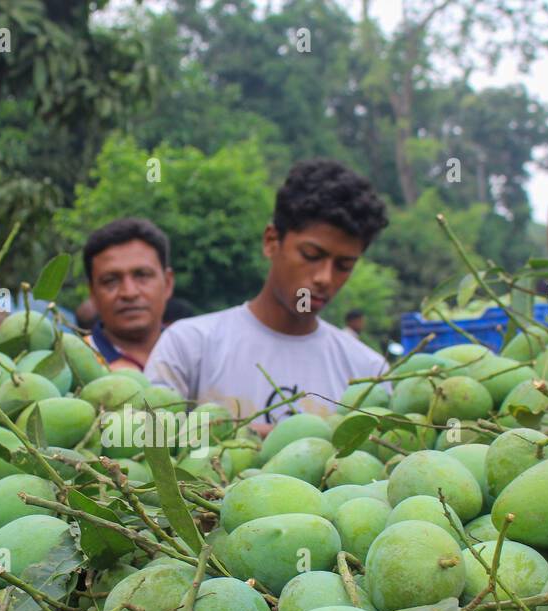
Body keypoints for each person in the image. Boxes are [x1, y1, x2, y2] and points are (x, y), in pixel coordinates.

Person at [145, 159, 391, 428]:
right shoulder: (190, 346)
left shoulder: (367, 372)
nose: (324, 278)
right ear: (271, 241)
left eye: (344, 266)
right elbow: (149, 442)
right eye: (311, 255)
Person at [82, 218, 175, 372]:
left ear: (168, 283)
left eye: (142, 275)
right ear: (92, 293)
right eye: (110, 280)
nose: (129, 292)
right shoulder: (70, 365)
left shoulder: (198, 356)